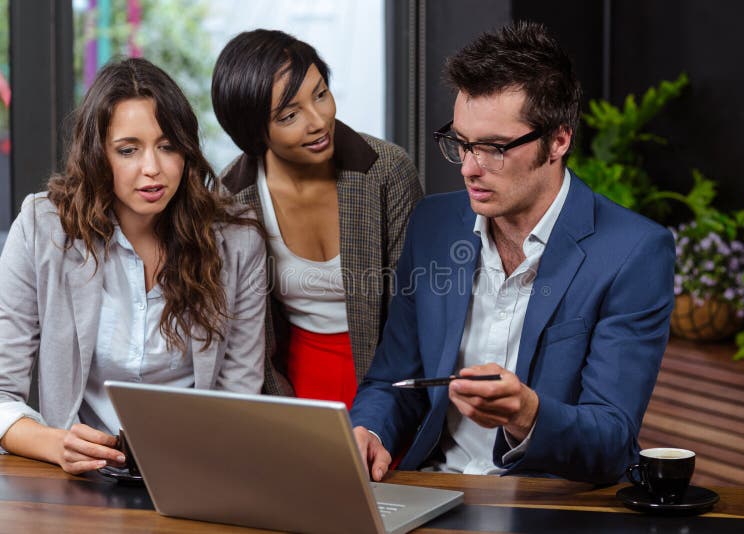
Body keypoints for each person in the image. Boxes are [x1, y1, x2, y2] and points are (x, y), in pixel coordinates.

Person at [350, 21, 675, 484]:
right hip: (437, 488)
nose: (468, 168)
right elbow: (393, 381)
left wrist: (529, 415)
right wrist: (371, 430)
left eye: (493, 148)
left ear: (558, 141)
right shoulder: (432, 226)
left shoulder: (635, 251)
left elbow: (611, 440)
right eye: (460, 143)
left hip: (548, 504)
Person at [0, 58, 267, 475]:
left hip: (197, 471)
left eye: (167, 146)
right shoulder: (42, 228)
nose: (152, 169)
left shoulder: (236, 241)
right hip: (77, 479)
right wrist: (56, 444)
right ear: (97, 155)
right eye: (128, 150)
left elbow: (239, 400)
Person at [211, 30, 423, 404]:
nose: (318, 121)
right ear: (254, 132)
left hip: (391, 380)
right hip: (291, 384)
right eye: (290, 115)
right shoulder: (231, 199)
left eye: (321, 94)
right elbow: (245, 337)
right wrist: (281, 410)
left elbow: (412, 312)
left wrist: (384, 413)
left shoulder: (387, 172)